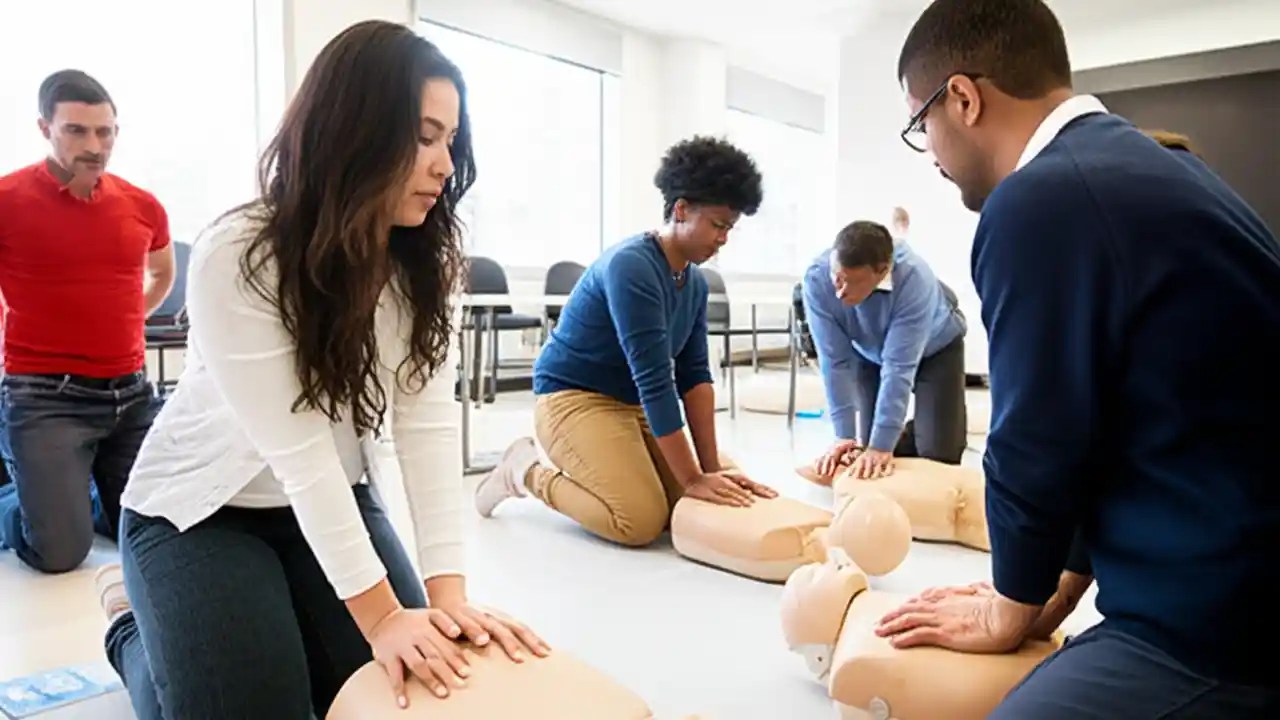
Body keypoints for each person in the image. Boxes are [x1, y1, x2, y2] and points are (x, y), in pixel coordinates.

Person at [92, 21, 547, 719]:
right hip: (201, 514)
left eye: (450, 141)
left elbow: (426, 425)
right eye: (424, 137)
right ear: (354, 131)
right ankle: (131, 627)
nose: (445, 165)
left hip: (334, 498)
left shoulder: (426, 262)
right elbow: (298, 450)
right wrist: (382, 620)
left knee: (402, 691)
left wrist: (445, 605)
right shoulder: (240, 255)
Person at [874, 0, 1280, 717]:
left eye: (920, 125)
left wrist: (1009, 602)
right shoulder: (1149, 163)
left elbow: (1036, 434)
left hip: (1222, 615)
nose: (930, 152)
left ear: (962, 98)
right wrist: (1060, 582)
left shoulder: (1041, 201)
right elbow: (1124, 409)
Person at [475, 136, 777, 546]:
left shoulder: (695, 284)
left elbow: (694, 378)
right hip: (574, 398)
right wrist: (690, 478)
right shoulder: (631, 266)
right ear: (681, 209)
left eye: (730, 228)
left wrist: (710, 471)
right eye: (718, 225)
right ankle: (524, 470)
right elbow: (656, 382)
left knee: (712, 497)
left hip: (631, 404)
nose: (723, 238)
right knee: (638, 520)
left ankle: (693, 475)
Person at [0, 70, 172, 574]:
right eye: (77, 130)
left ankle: (69, 492)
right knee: (60, 555)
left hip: (130, 397)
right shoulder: (7, 200)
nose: (95, 145)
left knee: (148, 533)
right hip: (45, 398)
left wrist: (125, 319)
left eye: (106, 131)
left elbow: (161, 272)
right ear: (44, 128)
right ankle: (24, 497)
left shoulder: (142, 205)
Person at [803, 220, 968, 479]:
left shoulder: (914, 278)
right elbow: (834, 362)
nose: (840, 292)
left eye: (851, 282)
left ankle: (925, 427)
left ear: (882, 271)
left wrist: (883, 444)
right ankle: (905, 432)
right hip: (868, 353)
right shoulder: (816, 278)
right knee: (866, 454)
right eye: (837, 279)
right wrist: (843, 436)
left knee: (938, 454)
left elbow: (898, 368)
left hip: (936, 348)